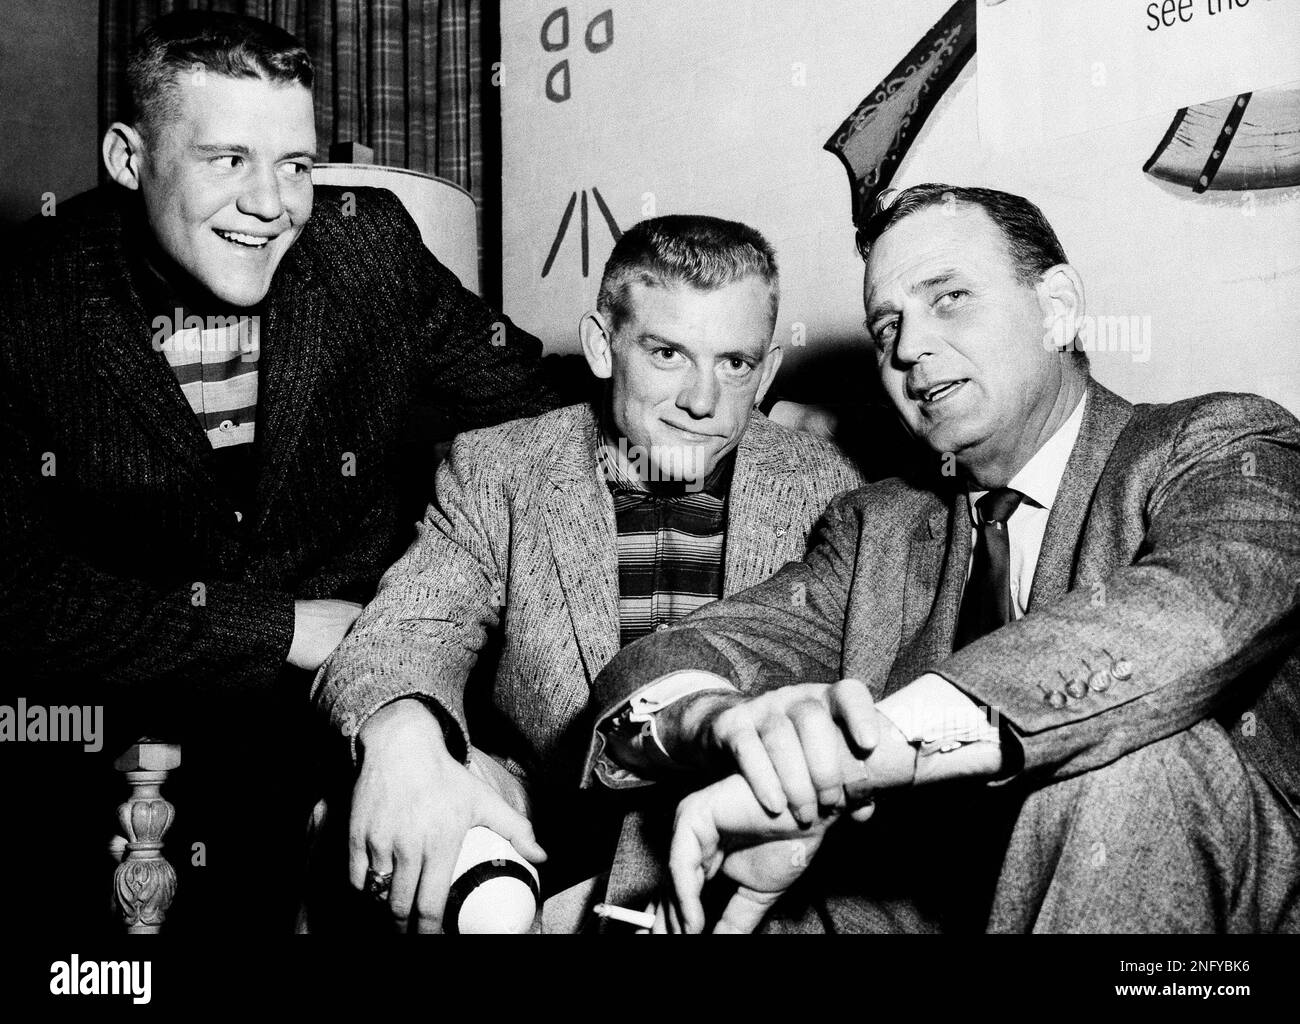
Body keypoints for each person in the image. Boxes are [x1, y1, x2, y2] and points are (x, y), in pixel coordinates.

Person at [583, 184, 1300, 934]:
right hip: (944, 911)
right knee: (687, 815)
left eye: (949, 297)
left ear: (1057, 308)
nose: (909, 348)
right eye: (887, 325)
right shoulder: (879, 528)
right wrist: (724, 728)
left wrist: (868, 754)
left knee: (1128, 770)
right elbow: (688, 654)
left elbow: (1200, 605)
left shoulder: (1219, 445)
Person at [0, 10, 578, 933]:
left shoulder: (366, 248)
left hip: (366, 687)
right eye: (227, 159)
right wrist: (280, 628)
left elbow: (534, 401)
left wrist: (689, 403)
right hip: (133, 721)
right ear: (126, 156)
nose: (272, 204)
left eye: (297, 166)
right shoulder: (25, 300)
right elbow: (19, 594)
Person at [311, 215, 866, 933]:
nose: (703, 401)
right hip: (554, 845)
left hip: (748, 862)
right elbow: (410, 626)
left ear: (766, 371)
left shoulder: (827, 485)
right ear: (604, 346)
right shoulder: (500, 468)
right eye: (668, 354)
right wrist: (400, 733)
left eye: (734, 363)